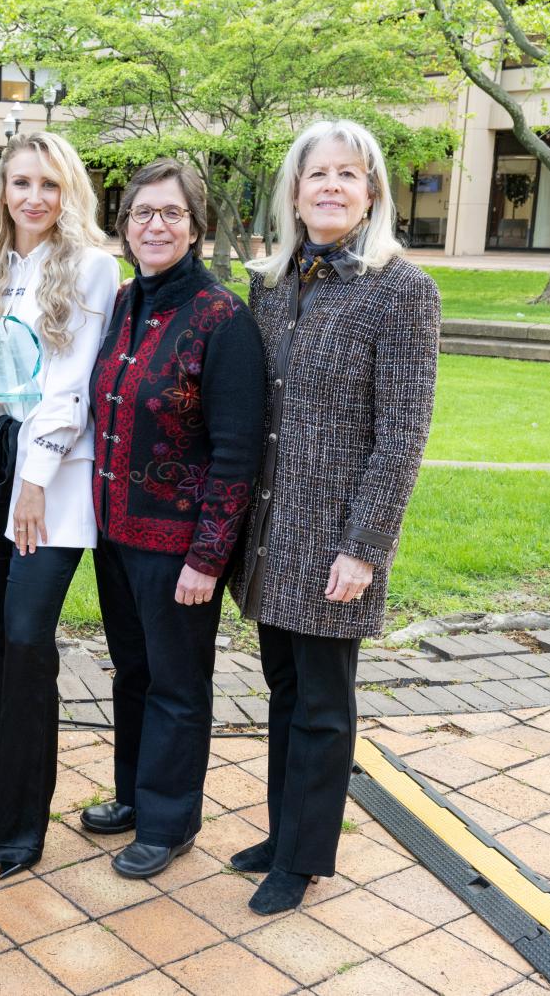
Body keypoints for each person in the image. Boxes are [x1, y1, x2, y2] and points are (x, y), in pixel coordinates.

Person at [231, 119, 440, 914]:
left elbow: (402, 434)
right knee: (284, 690)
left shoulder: (402, 290)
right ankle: (285, 831)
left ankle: (305, 858)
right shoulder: (273, 283)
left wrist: (365, 547)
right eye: (316, 173)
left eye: (347, 175)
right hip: (271, 533)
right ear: (294, 189)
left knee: (323, 702)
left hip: (335, 540)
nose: (329, 186)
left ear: (372, 192)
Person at [81, 159, 264, 880]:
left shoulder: (223, 319)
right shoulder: (126, 301)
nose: (154, 226)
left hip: (179, 546)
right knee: (133, 672)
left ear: (196, 225)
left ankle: (169, 820)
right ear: (124, 226)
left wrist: (207, 557)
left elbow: (236, 452)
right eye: (141, 213)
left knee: (178, 683)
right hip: (116, 535)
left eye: (171, 214)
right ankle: (133, 795)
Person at [0, 131, 119, 879]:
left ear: (69, 192)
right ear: (2, 190)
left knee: (26, 639)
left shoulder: (90, 267)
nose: (34, 197)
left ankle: (22, 817)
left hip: (45, 486)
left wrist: (32, 482)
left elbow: (73, 387)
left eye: (50, 184)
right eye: (21, 183)